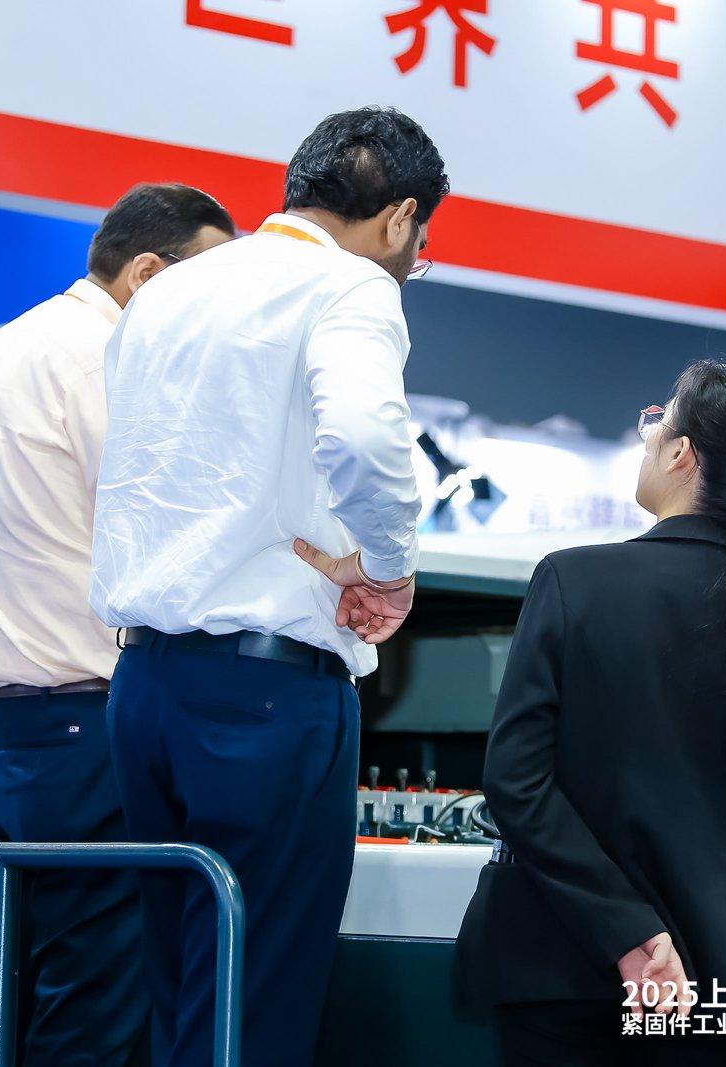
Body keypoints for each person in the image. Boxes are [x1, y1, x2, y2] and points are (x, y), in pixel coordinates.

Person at [90, 106, 448, 1066]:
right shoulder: (352, 286)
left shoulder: (167, 291)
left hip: (142, 686)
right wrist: (387, 567)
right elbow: (366, 440)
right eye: (418, 246)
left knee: (181, 991)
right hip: (267, 693)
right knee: (259, 1001)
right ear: (400, 219)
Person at [453, 360, 726, 1066]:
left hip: (564, 972)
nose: (647, 435)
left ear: (682, 454)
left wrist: (630, 930)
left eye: (658, 421)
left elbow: (516, 783)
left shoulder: (573, 581)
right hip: (725, 983)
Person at [0, 182, 236, 1065]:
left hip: (5, 726)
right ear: (148, 274)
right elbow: (170, 533)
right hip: (85, 724)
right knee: (100, 1008)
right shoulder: (106, 361)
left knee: (30, 995)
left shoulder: (4, 349)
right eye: (208, 287)